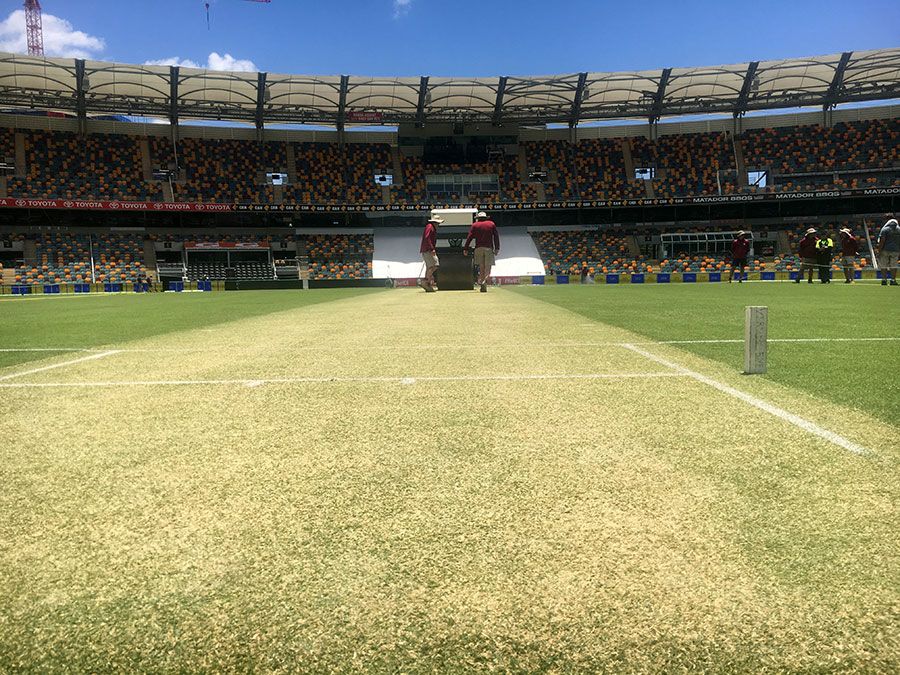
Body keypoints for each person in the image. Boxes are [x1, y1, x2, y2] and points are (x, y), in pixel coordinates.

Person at [464, 211, 500, 293]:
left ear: (478, 218)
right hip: (488, 248)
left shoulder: (475, 225)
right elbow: (496, 237)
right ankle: (484, 282)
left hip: (478, 248)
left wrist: (466, 248)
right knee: (488, 268)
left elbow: (469, 237)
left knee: (481, 267)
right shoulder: (491, 224)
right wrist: (497, 247)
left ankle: (482, 281)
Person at [418, 214, 443, 292]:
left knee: (430, 266)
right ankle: (425, 281)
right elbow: (427, 238)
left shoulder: (430, 227)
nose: (438, 225)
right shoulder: (430, 227)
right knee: (434, 265)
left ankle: (427, 283)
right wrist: (432, 249)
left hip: (426, 249)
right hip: (428, 250)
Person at [876, 213, 899, 286]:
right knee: (894, 265)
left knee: (883, 265)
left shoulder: (885, 229)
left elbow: (882, 241)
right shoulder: (899, 229)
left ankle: (884, 280)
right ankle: (893, 280)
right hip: (896, 250)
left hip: (885, 250)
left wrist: (879, 251)